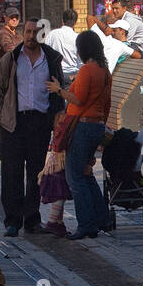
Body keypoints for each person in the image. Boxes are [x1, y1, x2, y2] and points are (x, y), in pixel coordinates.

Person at [0, 18, 67, 236]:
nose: (31, 36)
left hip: (40, 123)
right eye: (28, 32)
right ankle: (12, 221)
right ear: (23, 33)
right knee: (11, 173)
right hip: (13, 123)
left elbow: (60, 88)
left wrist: (56, 116)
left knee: (35, 174)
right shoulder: (12, 58)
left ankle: (32, 219)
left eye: (36, 32)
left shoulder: (50, 58)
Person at [46, 30, 110, 240]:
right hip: (97, 126)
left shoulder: (86, 70)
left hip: (81, 127)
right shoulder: (104, 71)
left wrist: (58, 89)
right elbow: (107, 104)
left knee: (74, 178)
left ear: (83, 49)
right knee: (85, 173)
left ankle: (86, 225)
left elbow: (77, 99)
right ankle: (102, 219)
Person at [38, 110, 73, 237]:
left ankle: (59, 223)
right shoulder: (61, 136)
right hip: (57, 172)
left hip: (53, 170)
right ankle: (52, 222)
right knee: (59, 196)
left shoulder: (57, 134)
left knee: (60, 197)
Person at [44, 9, 82, 84]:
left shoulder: (52, 34)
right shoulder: (77, 37)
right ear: (75, 22)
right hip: (73, 75)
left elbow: (45, 53)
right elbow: (81, 60)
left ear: (62, 20)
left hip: (56, 74)